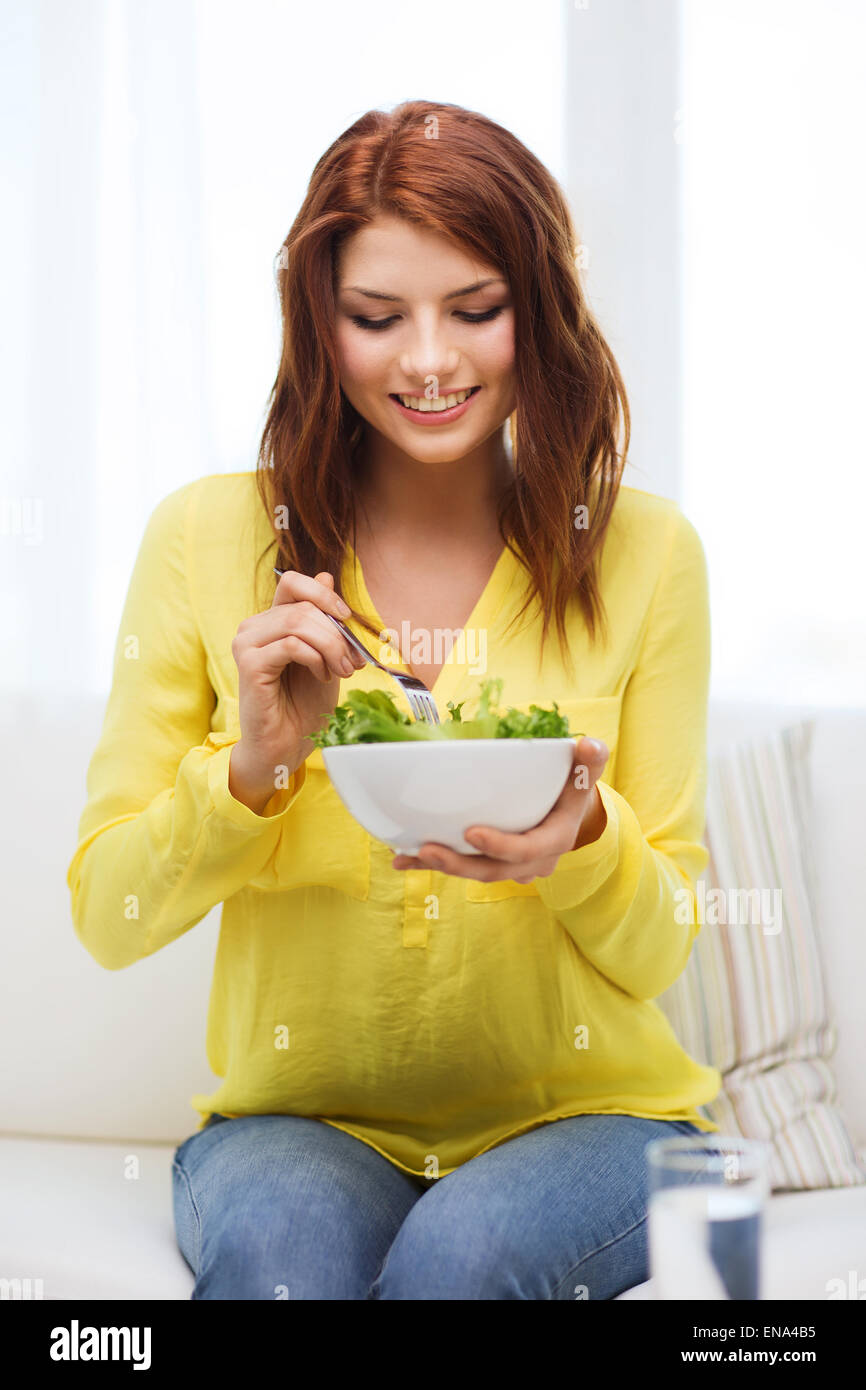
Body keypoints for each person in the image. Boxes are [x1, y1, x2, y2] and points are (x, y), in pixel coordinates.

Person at [67, 99, 721, 1300]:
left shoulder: (646, 554)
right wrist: (254, 769)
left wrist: (581, 836)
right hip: (301, 1126)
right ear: (320, 325)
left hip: (594, 1119)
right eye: (377, 317)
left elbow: (666, 934)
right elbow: (109, 915)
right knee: (281, 1260)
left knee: (460, 1259)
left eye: (475, 309)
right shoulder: (204, 539)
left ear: (540, 310)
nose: (428, 360)